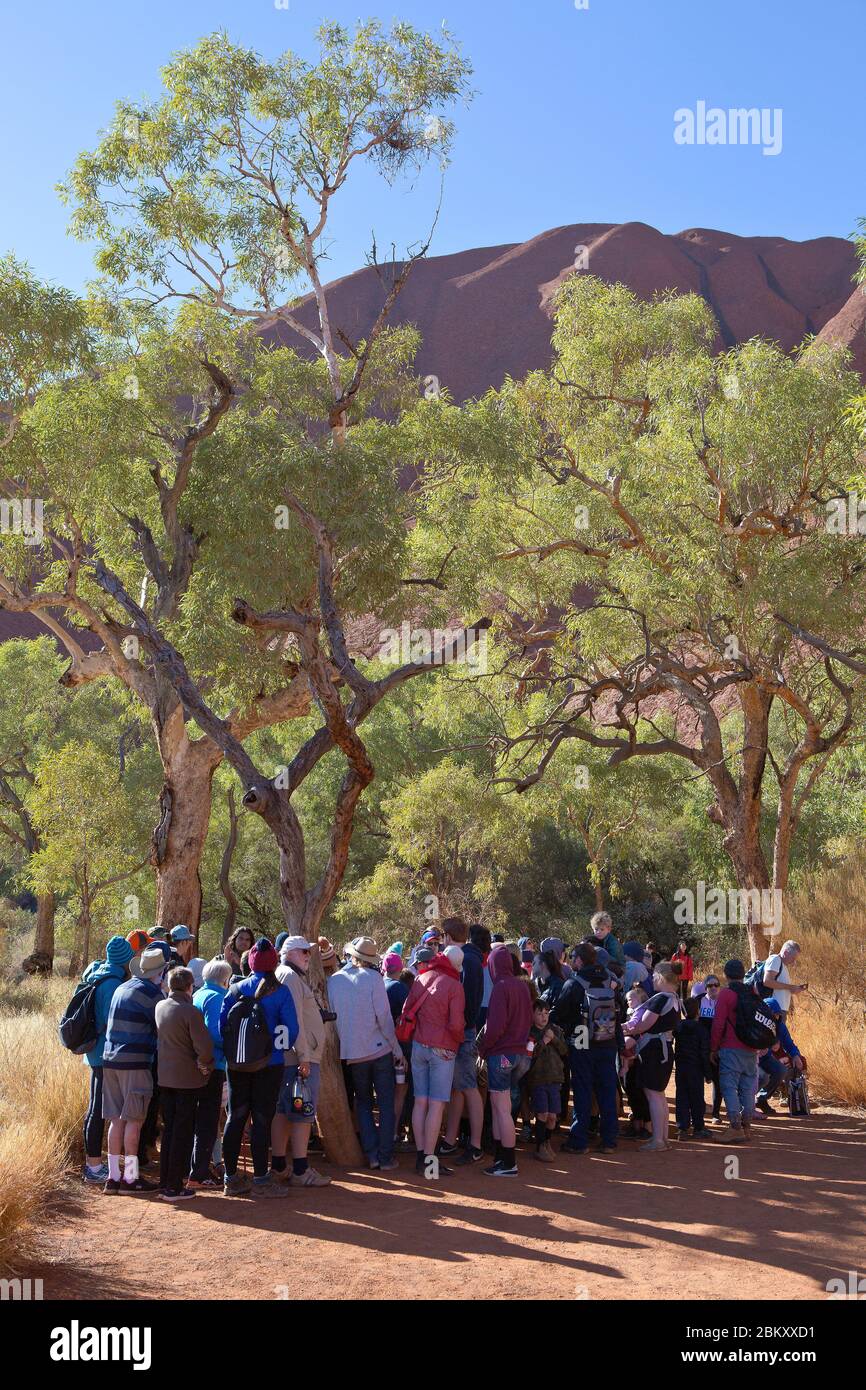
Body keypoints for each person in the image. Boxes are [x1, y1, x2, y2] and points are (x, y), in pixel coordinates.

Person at [219, 937, 299, 1197]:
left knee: (236, 1117)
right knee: (262, 1120)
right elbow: (290, 1031)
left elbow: (223, 1029)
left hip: (237, 1065)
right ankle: (262, 1181)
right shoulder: (280, 992)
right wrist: (274, 1047)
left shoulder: (235, 990)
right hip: (269, 1065)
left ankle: (230, 1179)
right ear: (273, 963)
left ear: (251, 963)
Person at [327, 937, 403, 1171]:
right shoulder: (373, 978)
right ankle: (386, 1156)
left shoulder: (334, 981)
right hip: (379, 1049)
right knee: (386, 1103)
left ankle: (371, 1155)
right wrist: (397, 1049)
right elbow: (384, 1018)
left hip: (352, 1052)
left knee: (363, 1103)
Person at [101, 944, 169, 1194]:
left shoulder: (122, 987)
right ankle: (130, 1179)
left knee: (116, 1119)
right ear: (159, 973)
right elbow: (163, 1029)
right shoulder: (153, 995)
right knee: (134, 1120)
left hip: (111, 1060)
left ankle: (112, 1177)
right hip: (136, 1062)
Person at [551, 941, 621, 1156]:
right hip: (608, 1039)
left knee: (582, 1089)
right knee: (607, 1089)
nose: (571, 961)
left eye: (573, 957)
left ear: (580, 960)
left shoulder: (575, 982)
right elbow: (622, 1011)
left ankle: (578, 1140)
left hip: (581, 1040)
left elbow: (560, 1013)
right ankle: (609, 1139)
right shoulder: (612, 981)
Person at [272, 936, 331, 1187]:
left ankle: (279, 1166)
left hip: (290, 1057)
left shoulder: (285, 974)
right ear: (291, 952)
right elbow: (293, 1019)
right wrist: (305, 1056)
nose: (308, 956)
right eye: (304, 952)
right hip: (298, 1059)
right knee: (302, 1111)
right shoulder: (290, 977)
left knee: (285, 1111)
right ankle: (300, 1169)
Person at [401, 943, 465, 1176]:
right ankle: (429, 1160)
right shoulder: (455, 986)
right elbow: (457, 1024)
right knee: (436, 1104)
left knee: (420, 1102)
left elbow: (407, 1010)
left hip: (419, 1045)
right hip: (443, 1049)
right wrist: (456, 1042)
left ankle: (421, 1156)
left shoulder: (421, 978)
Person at [155, 966, 214, 1201]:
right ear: (190, 987)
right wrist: (205, 1066)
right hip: (187, 1080)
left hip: (165, 1077)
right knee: (183, 1131)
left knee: (169, 1130)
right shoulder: (190, 1012)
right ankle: (174, 1186)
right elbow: (204, 1048)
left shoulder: (160, 1006)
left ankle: (165, 1180)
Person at [81, 936, 136, 1183]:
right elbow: (107, 1021)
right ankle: (94, 1166)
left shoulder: (95, 974)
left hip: (94, 1053)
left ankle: (94, 1163)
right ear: (125, 960)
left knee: (95, 1107)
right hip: (106, 1054)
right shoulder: (113, 983)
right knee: (99, 1110)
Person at [479, 942, 532, 1176]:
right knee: (502, 1106)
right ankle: (502, 1158)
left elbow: (495, 1027)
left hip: (501, 1054)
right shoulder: (521, 986)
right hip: (520, 1054)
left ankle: (509, 1162)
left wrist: (483, 1048)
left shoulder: (500, 987)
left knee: (501, 1109)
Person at [438, 918, 486, 1166]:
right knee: (458, 1087)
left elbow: (464, 1002)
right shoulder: (471, 958)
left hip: (463, 1033)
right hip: (464, 1030)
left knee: (468, 1087)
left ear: (447, 936)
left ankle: (476, 1145)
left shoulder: (466, 960)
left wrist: (457, 1027)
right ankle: (450, 1139)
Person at [623, 960, 681, 1152]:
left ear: (661, 977)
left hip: (653, 1051)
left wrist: (622, 1030)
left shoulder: (659, 999)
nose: (652, 979)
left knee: (653, 1095)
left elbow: (641, 1026)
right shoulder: (674, 999)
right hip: (663, 1050)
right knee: (659, 1095)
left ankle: (658, 1140)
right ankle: (663, 1139)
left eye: (654, 975)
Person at [709, 959, 762, 1143]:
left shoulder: (726, 994)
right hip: (751, 1048)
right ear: (742, 974)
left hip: (731, 1048)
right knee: (748, 1089)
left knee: (729, 1087)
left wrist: (713, 1048)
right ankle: (747, 1127)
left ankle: (735, 1127)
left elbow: (718, 1024)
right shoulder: (752, 991)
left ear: (726, 975)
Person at [190, 957, 231, 1186]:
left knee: (200, 1119)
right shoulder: (217, 997)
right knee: (208, 1120)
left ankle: (197, 1168)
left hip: (196, 1065)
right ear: (225, 979)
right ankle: (201, 1172)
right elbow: (216, 1033)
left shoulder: (198, 994)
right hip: (213, 1065)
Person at [524, 999, 569, 1161]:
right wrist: (543, 1041)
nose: (544, 1017)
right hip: (538, 1080)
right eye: (539, 1013)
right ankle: (540, 1146)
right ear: (532, 1015)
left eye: (546, 1013)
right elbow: (530, 1054)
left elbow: (565, 1050)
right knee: (542, 1113)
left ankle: (547, 1142)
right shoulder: (529, 1033)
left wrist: (554, 1039)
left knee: (552, 1116)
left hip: (555, 1079)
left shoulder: (555, 1030)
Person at [756, 1000, 804, 1115]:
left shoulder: (780, 1026)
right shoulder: (756, 1023)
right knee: (762, 1077)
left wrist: (796, 1055)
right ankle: (743, 1101)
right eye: (773, 1014)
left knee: (781, 1070)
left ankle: (761, 1099)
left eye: (777, 1015)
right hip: (752, 1058)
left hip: (766, 1059)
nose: (775, 1017)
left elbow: (789, 1043)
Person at [674, 996, 712, 1139]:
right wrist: (708, 1074)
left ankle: (682, 1128)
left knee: (682, 1097)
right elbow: (704, 1053)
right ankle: (698, 1127)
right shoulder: (702, 1030)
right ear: (698, 1012)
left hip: (681, 1067)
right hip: (696, 1069)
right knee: (696, 1098)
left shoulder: (679, 1027)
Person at [763, 940, 806, 1023]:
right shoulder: (775, 959)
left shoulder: (783, 966)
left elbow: (780, 987)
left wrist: (793, 989)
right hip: (774, 1009)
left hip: (780, 1010)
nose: (794, 961)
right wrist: (790, 987)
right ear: (785, 952)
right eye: (793, 958)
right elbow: (767, 981)